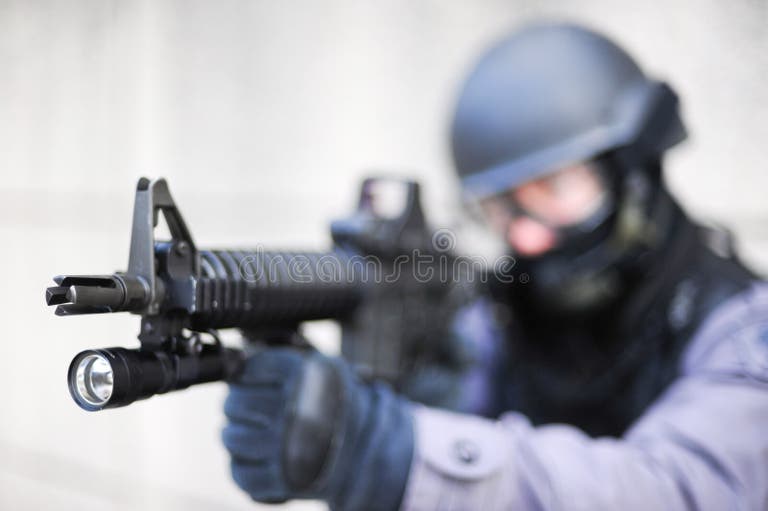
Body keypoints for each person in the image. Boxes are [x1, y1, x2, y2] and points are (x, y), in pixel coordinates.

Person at [221, 23, 768, 510]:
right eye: (501, 208)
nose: (526, 234)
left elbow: (681, 489)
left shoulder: (744, 330)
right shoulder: (502, 312)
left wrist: (396, 454)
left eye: (554, 188)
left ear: (635, 172)